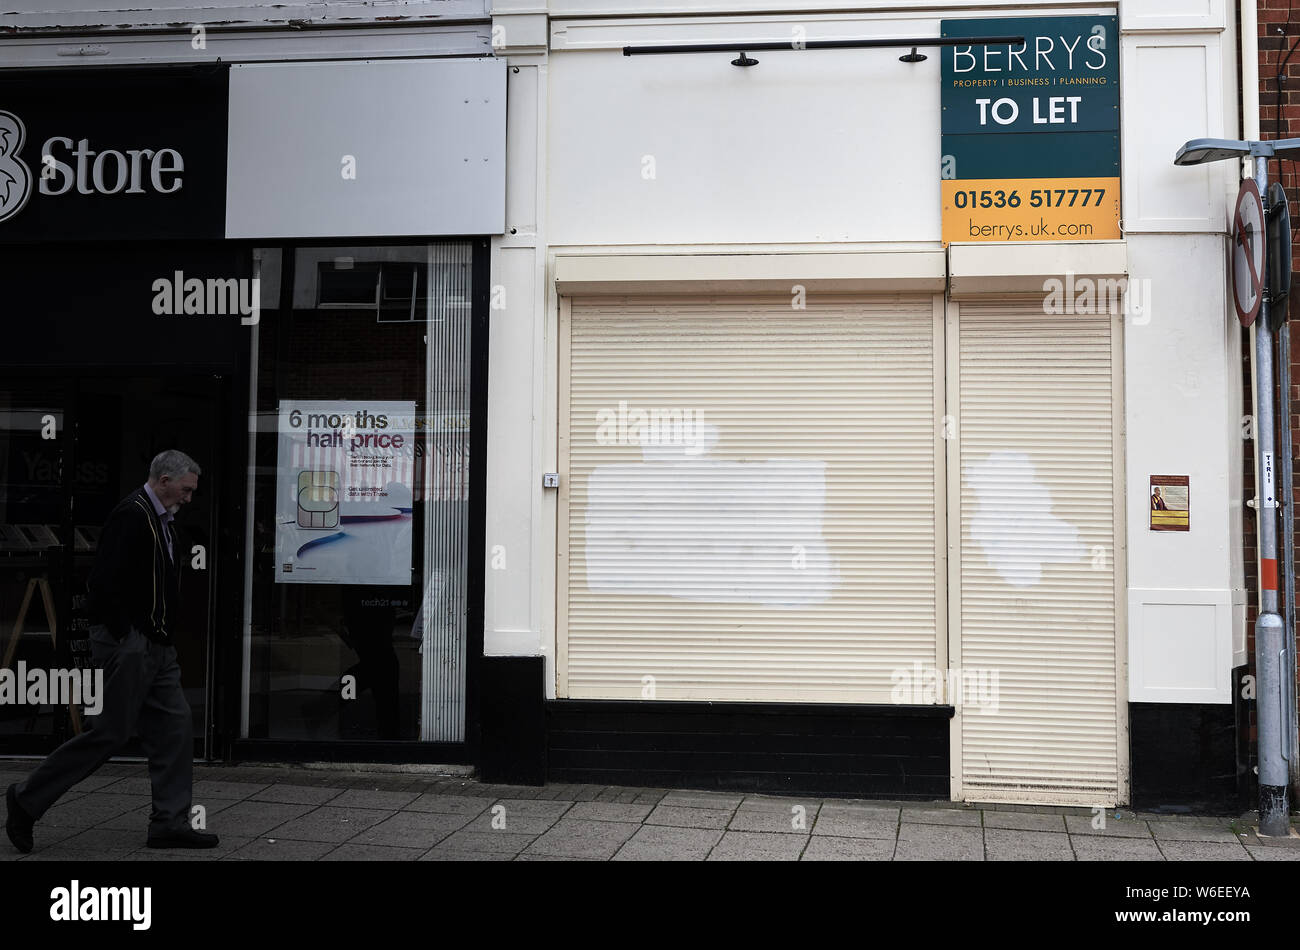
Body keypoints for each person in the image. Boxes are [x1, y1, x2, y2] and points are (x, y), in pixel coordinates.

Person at [5, 450, 218, 852]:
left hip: (156, 645)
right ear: (163, 479)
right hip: (133, 642)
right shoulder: (132, 515)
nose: (189, 498)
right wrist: (128, 636)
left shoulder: (163, 521)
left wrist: (159, 635)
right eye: (186, 489)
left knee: (175, 729)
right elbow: (103, 583)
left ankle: (169, 822)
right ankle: (26, 799)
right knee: (109, 733)